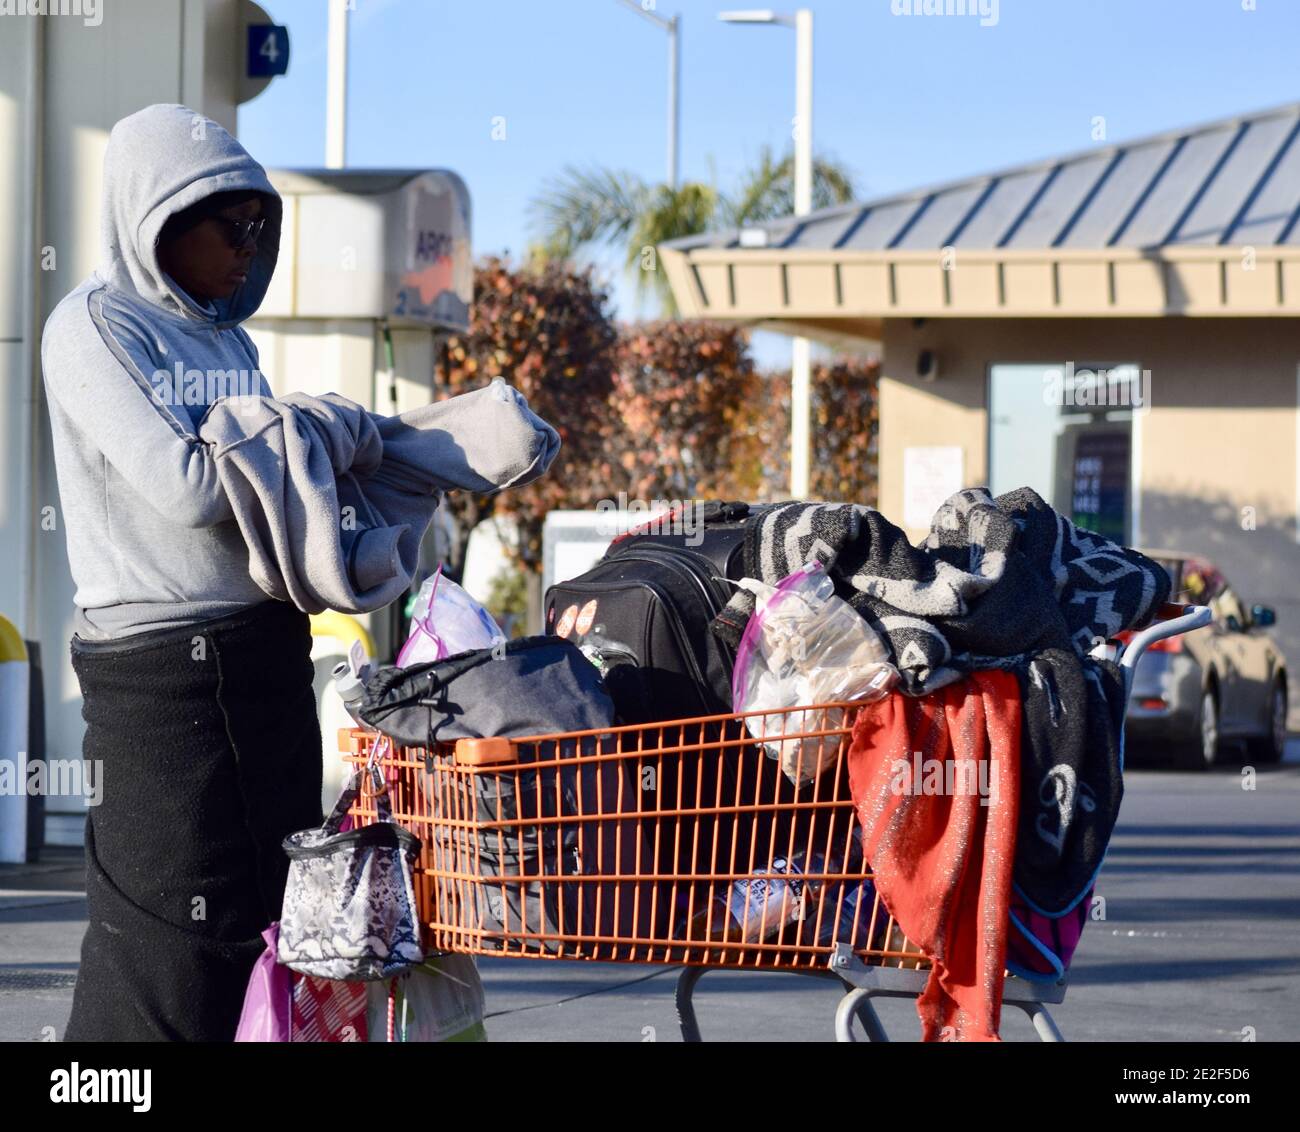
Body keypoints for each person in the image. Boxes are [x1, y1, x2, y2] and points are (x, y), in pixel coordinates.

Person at [40, 104, 324, 1041]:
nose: (249, 247)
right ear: (158, 217)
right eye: (228, 224)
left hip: (264, 663)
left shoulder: (229, 341)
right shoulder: (92, 328)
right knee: (163, 958)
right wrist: (308, 436)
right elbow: (191, 485)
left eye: (260, 227)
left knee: (270, 939)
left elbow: (259, 478)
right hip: (165, 685)